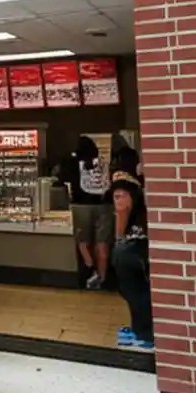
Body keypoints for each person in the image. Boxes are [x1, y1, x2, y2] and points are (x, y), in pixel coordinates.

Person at [110, 172, 152, 350]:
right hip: (136, 254)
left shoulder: (133, 214)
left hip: (134, 254)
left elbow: (120, 237)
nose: (116, 201)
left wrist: (121, 215)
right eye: (114, 197)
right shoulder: (141, 212)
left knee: (136, 294)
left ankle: (144, 334)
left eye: (120, 196)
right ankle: (141, 331)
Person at [70, 136, 111, 289]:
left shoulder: (74, 163)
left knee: (82, 242)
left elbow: (62, 179)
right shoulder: (102, 163)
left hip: (81, 206)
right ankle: (102, 278)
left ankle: (90, 268)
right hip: (104, 206)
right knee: (102, 244)